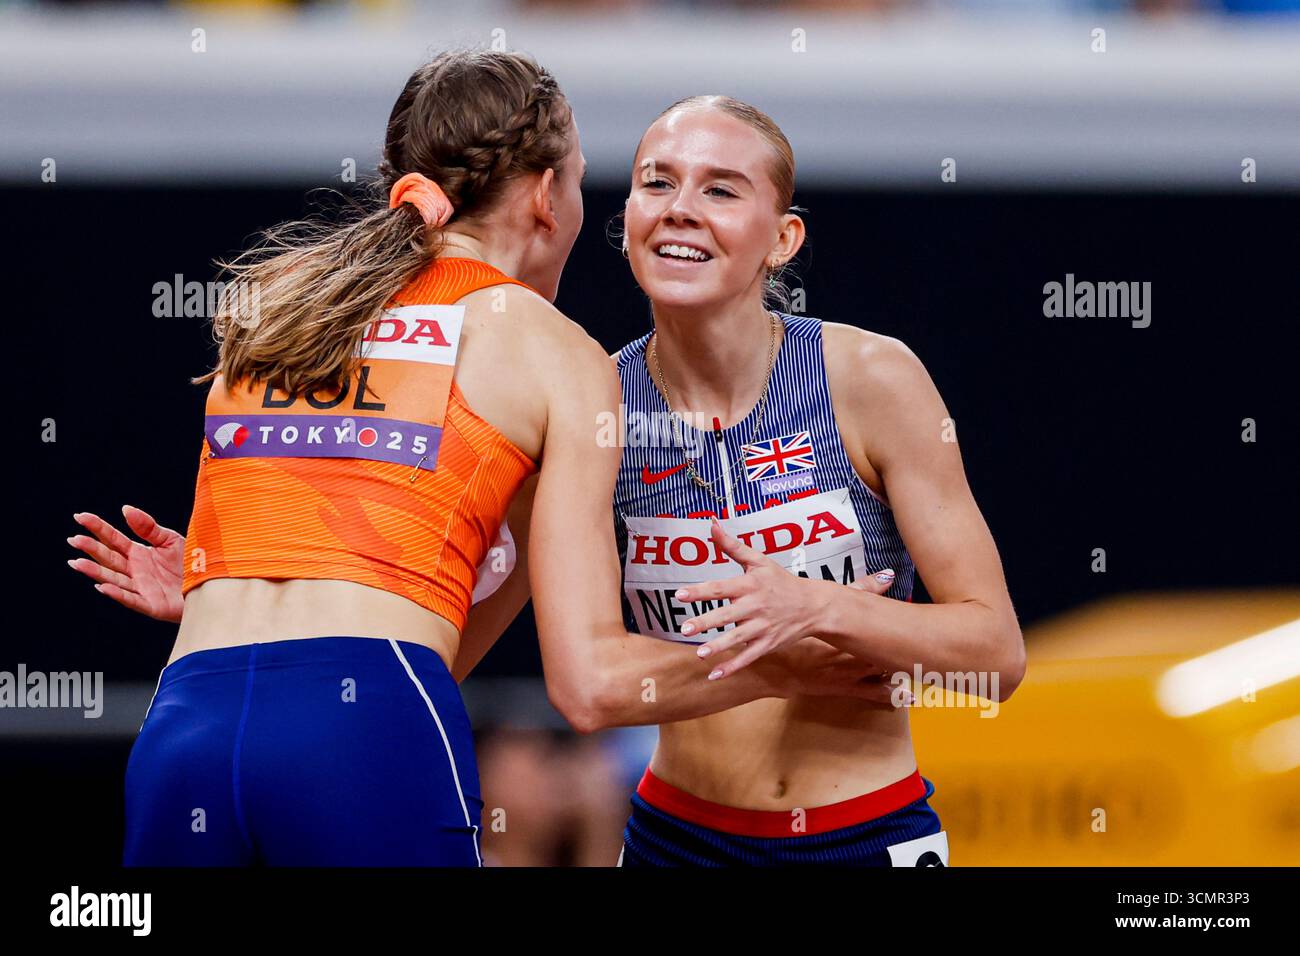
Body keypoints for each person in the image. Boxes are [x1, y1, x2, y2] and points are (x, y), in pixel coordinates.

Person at [66, 54, 891, 867]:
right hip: (364, 730)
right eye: (577, 182)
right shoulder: (555, 352)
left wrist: (249, 598)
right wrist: (793, 658)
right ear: (543, 196)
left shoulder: (285, 298)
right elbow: (590, 682)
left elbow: (343, 528)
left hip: (188, 720)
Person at [605, 96, 1025, 865]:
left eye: (721, 189)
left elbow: (994, 658)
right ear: (628, 216)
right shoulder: (594, 405)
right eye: (657, 183)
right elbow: (588, 682)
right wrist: (773, 664)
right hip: (676, 839)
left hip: (863, 833)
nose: (680, 210)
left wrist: (817, 606)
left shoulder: (872, 379)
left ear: (783, 238)